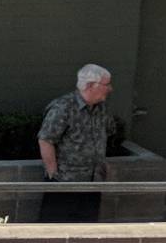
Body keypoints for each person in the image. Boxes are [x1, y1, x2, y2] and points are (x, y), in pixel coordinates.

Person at [38, 63, 118, 222]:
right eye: (106, 84)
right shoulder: (63, 107)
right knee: (55, 228)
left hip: (93, 181)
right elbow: (46, 139)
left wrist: (102, 162)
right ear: (90, 85)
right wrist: (53, 174)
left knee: (87, 228)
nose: (110, 89)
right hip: (66, 182)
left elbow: (107, 133)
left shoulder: (101, 108)